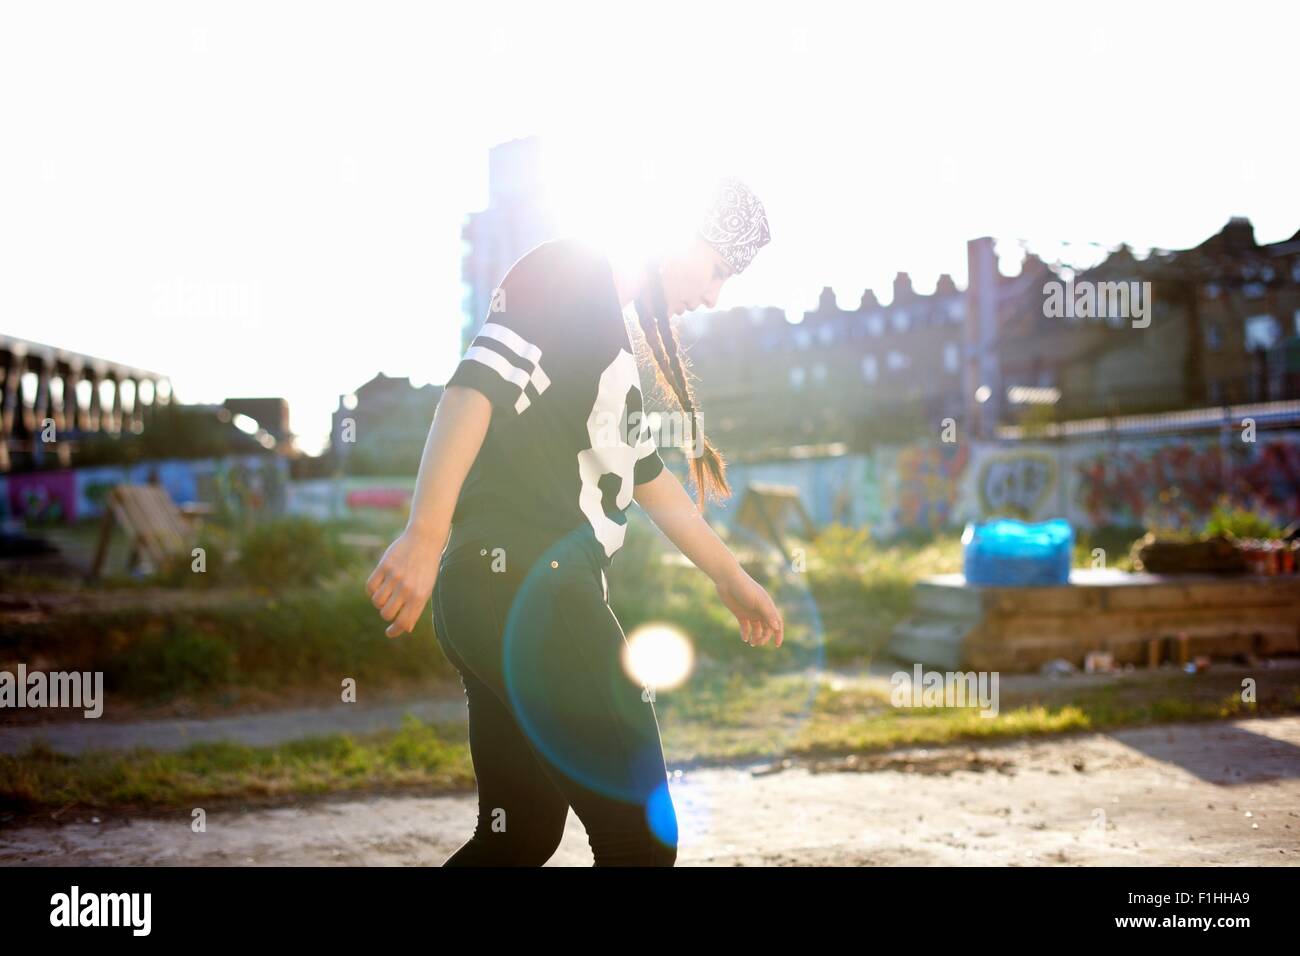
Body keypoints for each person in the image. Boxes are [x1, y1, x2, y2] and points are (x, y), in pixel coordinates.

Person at [365, 177, 784, 867]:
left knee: (519, 834)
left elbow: (651, 481)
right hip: (536, 590)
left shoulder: (608, 344)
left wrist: (730, 577)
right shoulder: (571, 273)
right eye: (716, 270)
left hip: (490, 601)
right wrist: (424, 532)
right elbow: (474, 386)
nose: (713, 297)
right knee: (642, 840)